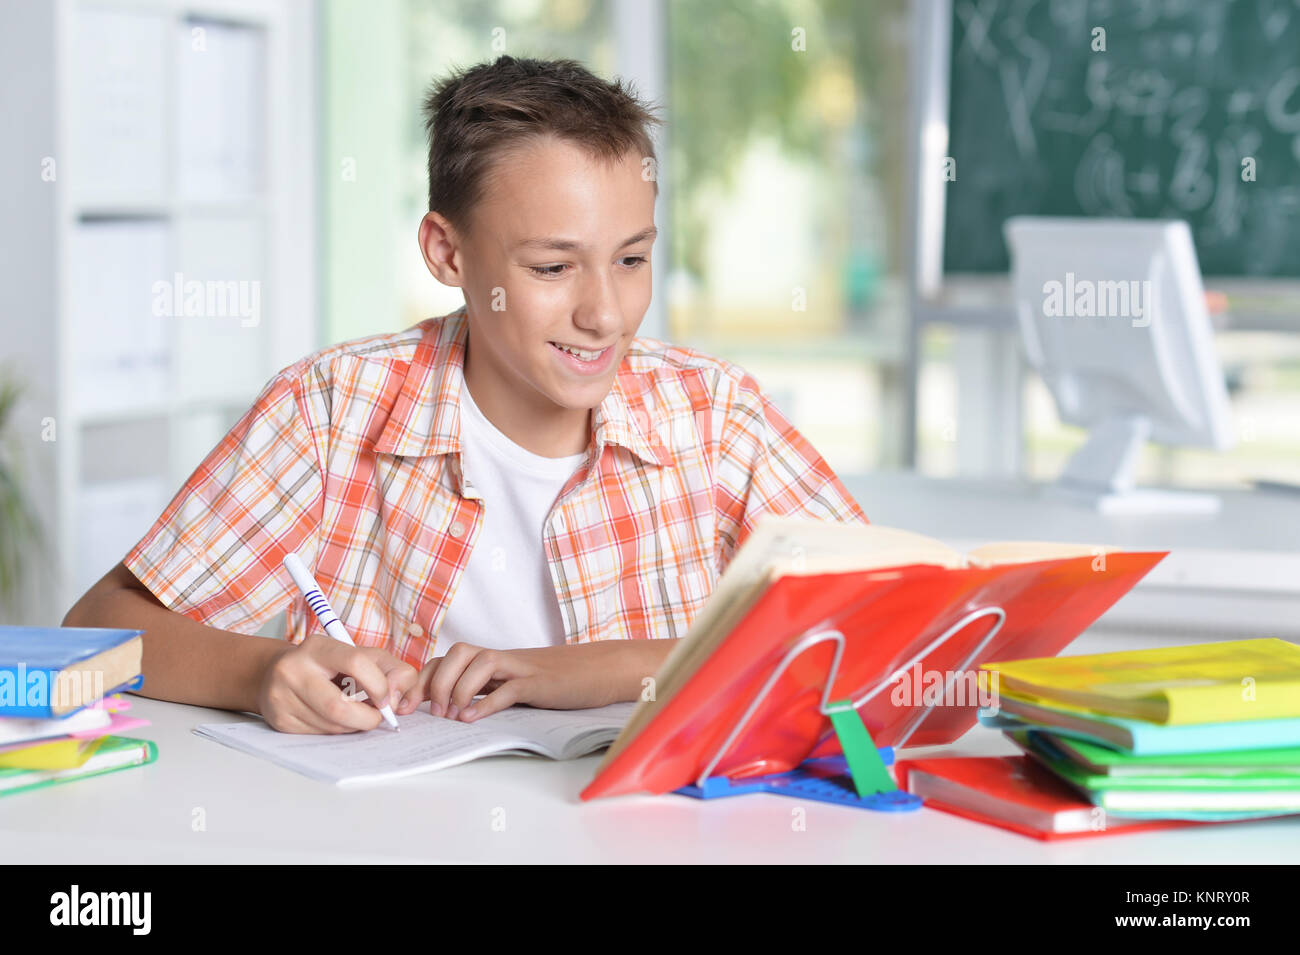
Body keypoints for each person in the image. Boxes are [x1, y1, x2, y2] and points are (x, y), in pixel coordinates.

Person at [64, 56, 867, 734]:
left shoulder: (714, 416)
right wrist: (262, 671)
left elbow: (885, 625)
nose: (606, 313)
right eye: (552, 268)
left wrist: (598, 669)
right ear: (447, 253)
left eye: (631, 259)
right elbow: (96, 627)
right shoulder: (333, 409)